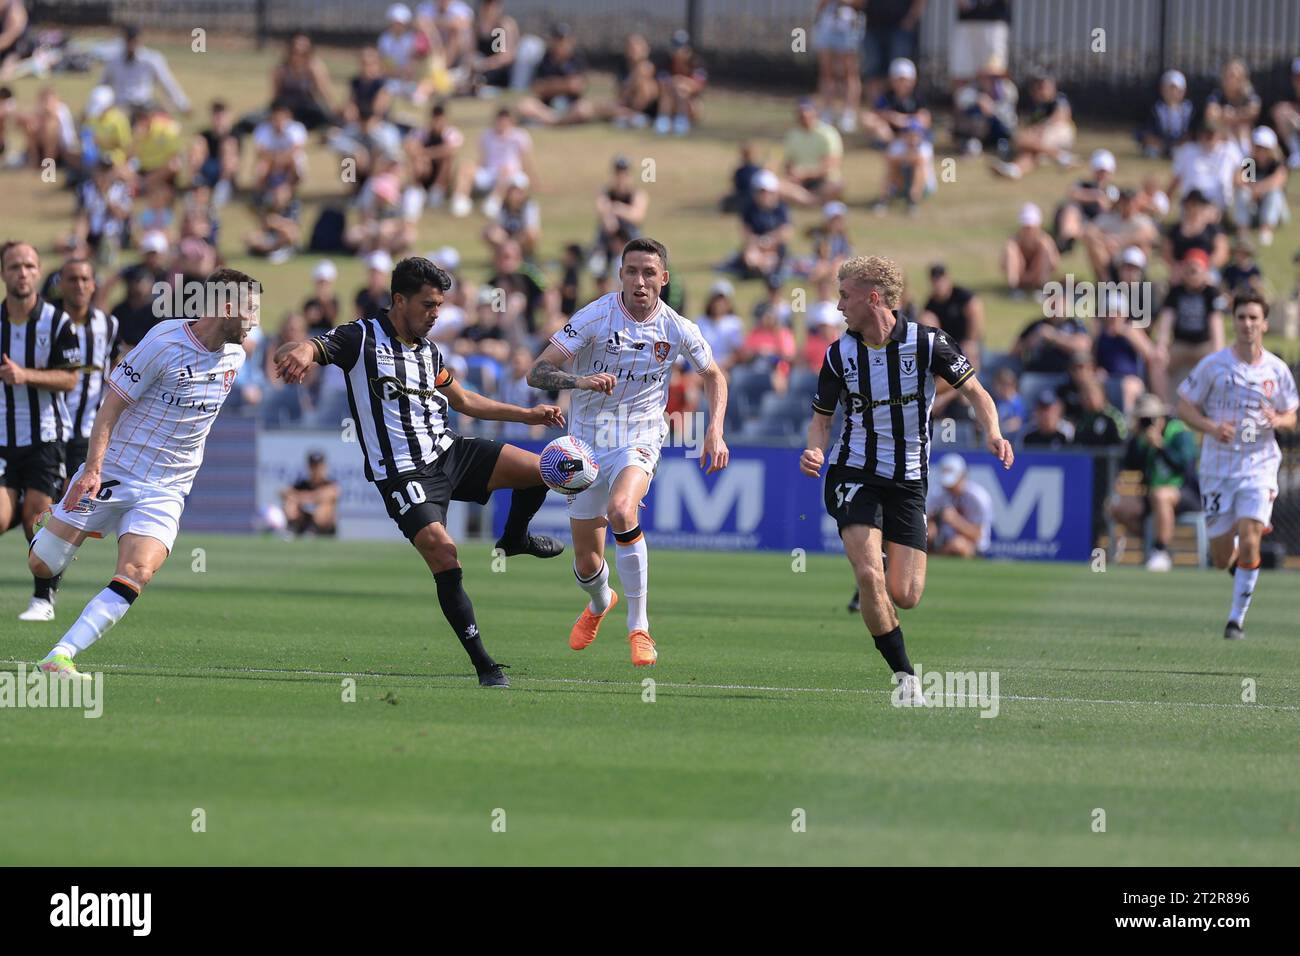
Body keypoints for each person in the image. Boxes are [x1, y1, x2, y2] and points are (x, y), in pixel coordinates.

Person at [275, 256, 567, 687]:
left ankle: (514, 538)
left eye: (440, 306)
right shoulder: (361, 338)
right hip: (403, 475)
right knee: (445, 555)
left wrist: (529, 415)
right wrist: (299, 350)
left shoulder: (429, 352)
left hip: (448, 452)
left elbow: (464, 401)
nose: (436, 314)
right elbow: (315, 347)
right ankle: (485, 666)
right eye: (429, 305)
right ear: (399, 300)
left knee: (546, 468)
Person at [27, 268, 256, 676]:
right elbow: (110, 408)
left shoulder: (237, 354)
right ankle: (54, 519)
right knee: (44, 564)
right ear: (225, 308)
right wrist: (92, 470)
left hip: (168, 487)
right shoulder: (163, 341)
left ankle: (60, 655)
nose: (256, 320)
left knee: (138, 572)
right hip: (116, 469)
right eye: (251, 310)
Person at [802, 255, 1011, 701]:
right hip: (853, 472)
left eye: (845, 296)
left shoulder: (929, 343)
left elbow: (976, 392)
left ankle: (877, 572)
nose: (838, 307)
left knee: (907, 593)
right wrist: (815, 449)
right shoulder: (839, 354)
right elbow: (821, 419)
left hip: (909, 480)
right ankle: (905, 677)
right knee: (868, 575)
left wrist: (993, 430)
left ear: (873, 298)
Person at [528, 237, 729, 667]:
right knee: (586, 561)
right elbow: (537, 371)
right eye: (632, 271)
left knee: (623, 510)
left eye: (649, 272)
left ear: (664, 278)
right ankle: (601, 602)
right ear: (621, 275)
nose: (640, 281)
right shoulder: (595, 317)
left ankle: (640, 629)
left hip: (638, 435)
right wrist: (581, 382)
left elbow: (714, 375)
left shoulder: (677, 327)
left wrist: (714, 430)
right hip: (583, 444)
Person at [1175, 291, 1298, 640]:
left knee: (1249, 538)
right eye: (1241, 317)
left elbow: (1292, 414)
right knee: (1219, 556)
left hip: (1259, 464)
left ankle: (1235, 620)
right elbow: (1183, 406)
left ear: (1265, 323)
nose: (1247, 324)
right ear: (1234, 321)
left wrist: (1279, 419)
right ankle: (1241, 566)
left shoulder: (1276, 369)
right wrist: (1212, 427)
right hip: (1217, 469)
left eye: (1253, 318)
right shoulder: (1214, 366)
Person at [1, 241, 82, 621]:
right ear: (4, 273)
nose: (22, 272)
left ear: (37, 272)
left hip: (45, 438)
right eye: (15, 266)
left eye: (30, 266)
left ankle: (43, 600)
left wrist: (24, 375)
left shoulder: (57, 322)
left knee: (37, 517)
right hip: (2, 440)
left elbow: (69, 380)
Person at [1107, 393, 1199, 571]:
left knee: (1160, 495)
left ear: (1160, 417)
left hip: (1185, 494)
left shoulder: (1179, 433)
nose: (1146, 423)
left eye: (1149, 419)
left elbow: (1184, 467)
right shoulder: (1142, 438)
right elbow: (1129, 463)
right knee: (1116, 507)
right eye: (1142, 419)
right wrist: (1135, 440)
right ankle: (1152, 544)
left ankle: (1161, 551)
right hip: (1152, 495)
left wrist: (1161, 446)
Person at [57, 259, 119, 481]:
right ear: (60, 284)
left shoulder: (109, 324)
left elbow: (115, 364)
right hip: (48, 429)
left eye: (85, 279)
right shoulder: (47, 322)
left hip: (89, 430)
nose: (79, 285)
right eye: (72, 279)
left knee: (76, 501)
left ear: (94, 285)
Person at [1155, 248, 1227, 401]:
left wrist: (1218, 351)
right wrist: (1161, 345)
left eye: (1196, 270)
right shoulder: (1175, 292)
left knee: (1221, 366)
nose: (1191, 274)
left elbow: (1216, 322)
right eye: (1189, 270)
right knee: (1158, 363)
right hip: (1180, 345)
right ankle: (1165, 406)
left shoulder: (1210, 292)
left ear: (1205, 271)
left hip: (1203, 346)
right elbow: (1167, 320)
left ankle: (1213, 405)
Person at [450, 107, 535, 219]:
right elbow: (482, 159)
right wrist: (473, 170)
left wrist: (533, 180)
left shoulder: (520, 136)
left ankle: (494, 202)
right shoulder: (486, 135)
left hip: (512, 174)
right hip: (490, 172)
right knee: (465, 166)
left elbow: (526, 160)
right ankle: (461, 201)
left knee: (506, 170)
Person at [990, 70, 1074, 179]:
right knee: (1032, 152)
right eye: (1038, 86)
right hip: (1042, 137)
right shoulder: (1036, 106)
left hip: (1059, 131)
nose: (1040, 90)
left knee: (1021, 140)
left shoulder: (1059, 99)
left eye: (1043, 86)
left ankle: (1062, 156)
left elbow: (1062, 116)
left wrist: (1041, 127)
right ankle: (1015, 170)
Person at [99, 25, 190, 115]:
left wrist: (183, 105)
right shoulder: (114, 61)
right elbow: (102, 86)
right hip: (122, 107)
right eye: (129, 41)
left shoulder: (151, 59)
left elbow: (167, 83)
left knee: (164, 112)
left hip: (144, 106)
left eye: (134, 41)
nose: (131, 45)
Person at [927, 453, 993, 557]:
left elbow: (978, 535)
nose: (950, 487)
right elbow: (928, 519)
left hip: (971, 545)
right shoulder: (938, 494)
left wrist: (955, 520)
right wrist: (931, 526)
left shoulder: (977, 497)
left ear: (962, 476)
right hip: (943, 540)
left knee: (957, 546)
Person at [1233, 126, 1289, 246]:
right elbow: (1238, 179)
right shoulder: (1250, 163)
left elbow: (1278, 180)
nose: (1261, 151)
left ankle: (1266, 229)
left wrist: (1259, 188)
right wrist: (1252, 188)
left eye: (1264, 148)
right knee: (1241, 192)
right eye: (1258, 147)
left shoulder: (1276, 164)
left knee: (1274, 192)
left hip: (1276, 211)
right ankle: (1243, 230)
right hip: (1254, 207)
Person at [813, 1, 864, 134]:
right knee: (826, 72)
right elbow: (819, 6)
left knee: (849, 72)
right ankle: (827, 111)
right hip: (828, 22)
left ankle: (849, 114)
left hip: (849, 23)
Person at [782, 98, 843, 205]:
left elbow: (831, 164)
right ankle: (812, 200)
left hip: (823, 180)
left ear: (815, 112)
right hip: (799, 182)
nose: (804, 115)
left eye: (807, 111)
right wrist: (792, 173)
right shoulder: (792, 135)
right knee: (776, 185)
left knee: (835, 186)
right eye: (801, 112)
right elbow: (788, 163)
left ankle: (807, 200)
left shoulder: (828, 133)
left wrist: (806, 173)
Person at [919, 263, 983, 367]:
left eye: (941, 280)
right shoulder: (931, 303)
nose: (939, 284)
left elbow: (976, 309)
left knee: (970, 354)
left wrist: (971, 341)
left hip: (966, 342)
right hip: (946, 345)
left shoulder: (961, 295)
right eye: (936, 281)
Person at [654, 29, 707, 136]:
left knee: (682, 90)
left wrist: (681, 82)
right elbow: (661, 83)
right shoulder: (665, 61)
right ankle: (663, 121)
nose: (678, 51)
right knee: (669, 90)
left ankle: (681, 121)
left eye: (682, 48)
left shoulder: (696, 63)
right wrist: (676, 82)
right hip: (668, 101)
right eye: (676, 47)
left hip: (690, 104)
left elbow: (698, 85)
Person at [1001, 201, 1058, 295]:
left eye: (1031, 227)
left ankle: (1041, 287)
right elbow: (1003, 266)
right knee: (1011, 249)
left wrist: (1034, 272)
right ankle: (1014, 288)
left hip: (1036, 275)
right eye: (1026, 227)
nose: (1028, 230)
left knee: (1045, 249)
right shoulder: (1013, 242)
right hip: (1020, 275)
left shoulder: (1045, 241)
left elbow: (1054, 265)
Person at [280, 451, 340, 537]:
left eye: (318, 466)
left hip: (324, 528)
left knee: (325, 506)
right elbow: (284, 492)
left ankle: (313, 531)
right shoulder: (302, 484)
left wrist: (301, 497)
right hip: (304, 521)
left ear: (324, 466)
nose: (316, 470)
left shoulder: (329, 483)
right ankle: (291, 529)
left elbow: (331, 494)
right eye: (313, 466)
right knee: (290, 503)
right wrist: (309, 497)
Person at [1139, 69, 1194, 159]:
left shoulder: (1189, 109)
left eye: (1176, 90)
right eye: (1169, 89)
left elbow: (1192, 133)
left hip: (1180, 145)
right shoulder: (1155, 109)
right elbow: (1147, 131)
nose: (1173, 93)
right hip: (1160, 144)